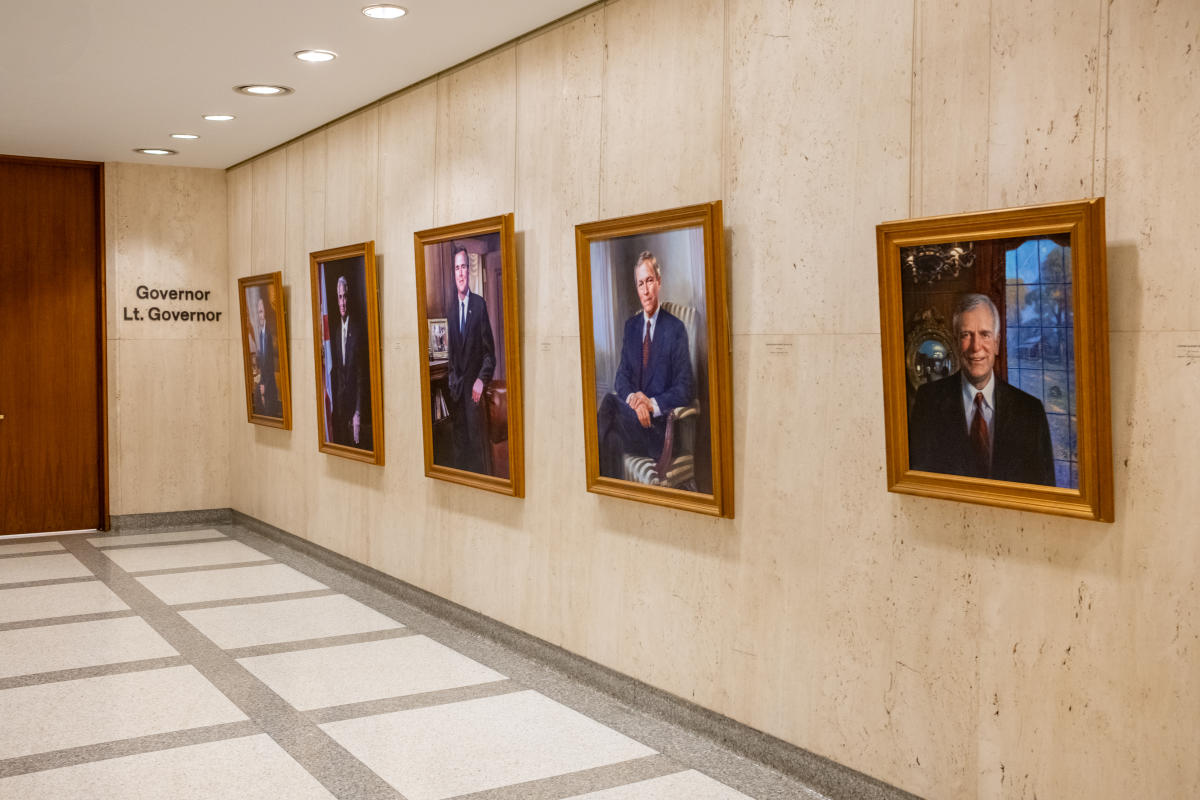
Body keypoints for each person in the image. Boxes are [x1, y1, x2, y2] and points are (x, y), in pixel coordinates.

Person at [908, 293, 1055, 485]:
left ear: (997, 343)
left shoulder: (1030, 412)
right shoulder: (927, 401)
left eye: (985, 334)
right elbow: (918, 482)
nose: (976, 347)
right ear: (955, 342)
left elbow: (1044, 493)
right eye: (966, 335)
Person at [597, 251, 694, 480]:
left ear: (659, 282)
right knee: (610, 440)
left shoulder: (675, 329)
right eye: (640, 283)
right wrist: (633, 399)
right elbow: (621, 376)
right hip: (633, 421)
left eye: (649, 281)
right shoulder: (631, 326)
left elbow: (686, 387)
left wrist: (650, 404)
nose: (645, 289)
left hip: (659, 429)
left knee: (609, 403)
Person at [445, 246, 495, 473]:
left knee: (477, 462)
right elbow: (452, 358)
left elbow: (489, 355)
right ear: (453, 273)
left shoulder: (479, 305)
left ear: (469, 270)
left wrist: (481, 380)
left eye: (464, 266)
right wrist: (452, 382)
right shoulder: (451, 311)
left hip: (474, 401)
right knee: (459, 460)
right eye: (457, 268)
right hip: (457, 401)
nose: (461, 273)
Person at [330, 274, 371, 449]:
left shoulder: (358, 328)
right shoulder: (335, 330)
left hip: (355, 412)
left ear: (349, 297)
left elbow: (361, 376)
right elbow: (337, 371)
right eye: (340, 297)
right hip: (340, 410)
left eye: (345, 296)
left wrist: (357, 412)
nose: (343, 302)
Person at [252, 295, 281, 417]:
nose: (260, 316)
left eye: (261, 312)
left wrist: (264, 385)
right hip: (265, 382)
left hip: (270, 385)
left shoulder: (270, 334)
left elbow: (270, 365)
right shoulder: (261, 333)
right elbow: (263, 362)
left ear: (266, 313)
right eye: (258, 312)